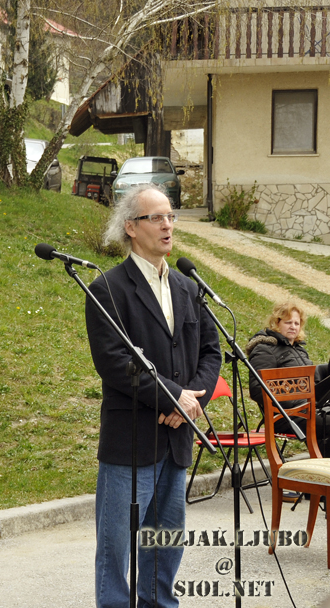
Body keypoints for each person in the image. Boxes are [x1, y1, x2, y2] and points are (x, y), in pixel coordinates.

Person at [85, 183, 221, 608]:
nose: (168, 225)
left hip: (176, 439)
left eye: (171, 216)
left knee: (166, 542)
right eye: (156, 217)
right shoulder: (107, 289)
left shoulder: (187, 286)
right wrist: (174, 398)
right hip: (131, 442)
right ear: (131, 227)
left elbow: (211, 352)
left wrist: (189, 402)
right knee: (117, 547)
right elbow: (115, 363)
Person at [246, 301, 330, 455]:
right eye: (288, 322)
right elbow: (258, 390)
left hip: (309, 409)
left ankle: (323, 465)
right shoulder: (265, 349)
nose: (293, 327)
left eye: (297, 323)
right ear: (276, 323)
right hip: (285, 416)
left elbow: (309, 381)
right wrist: (298, 398)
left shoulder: (299, 350)